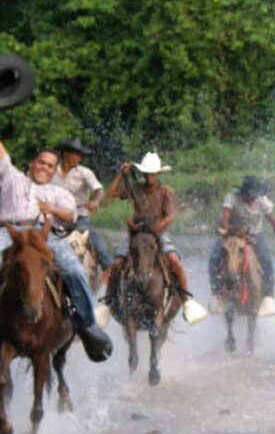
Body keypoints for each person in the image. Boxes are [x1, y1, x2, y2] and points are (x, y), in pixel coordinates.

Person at [0, 142, 112, 362]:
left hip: (45, 234)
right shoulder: (13, 178)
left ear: (54, 171)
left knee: (74, 270)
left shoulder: (58, 192)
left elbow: (71, 215)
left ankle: (87, 324)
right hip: (9, 232)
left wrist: (51, 209)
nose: (45, 168)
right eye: (41, 162)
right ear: (31, 164)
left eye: (50, 166)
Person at [104, 152, 207, 325]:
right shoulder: (135, 188)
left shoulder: (166, 192)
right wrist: (121, 174)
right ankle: (108, 301)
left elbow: (170, 216)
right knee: (117, 264)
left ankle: (186, 301)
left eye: (152, 173)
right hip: (137, 234)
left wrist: (155, 230)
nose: (149, 177)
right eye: (146, 173)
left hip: (158, 233)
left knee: (174, 261)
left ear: (158, 173)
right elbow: (111, 193)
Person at [208, 176, 275, 316]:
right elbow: (224, 222)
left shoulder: (262, 201)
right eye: (250, 195)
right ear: (244, 192)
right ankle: (217, 293)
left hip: (256, 234)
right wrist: (241, 235)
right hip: (232, 232)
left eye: (255, 195)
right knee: (214, 257)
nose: (253, 198)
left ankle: (268, 296)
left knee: (266, 260)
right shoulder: (232, 198)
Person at [51, 137, 113, 271]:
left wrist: (96, 201)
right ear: (65, 154)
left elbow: (99, 190)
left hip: (79, 218)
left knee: (98, 246)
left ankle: (111, 272)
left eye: (80, 155)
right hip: (53, 218)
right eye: (76, 154)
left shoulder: (84, 172)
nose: (79, 157)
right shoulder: (52, 171)